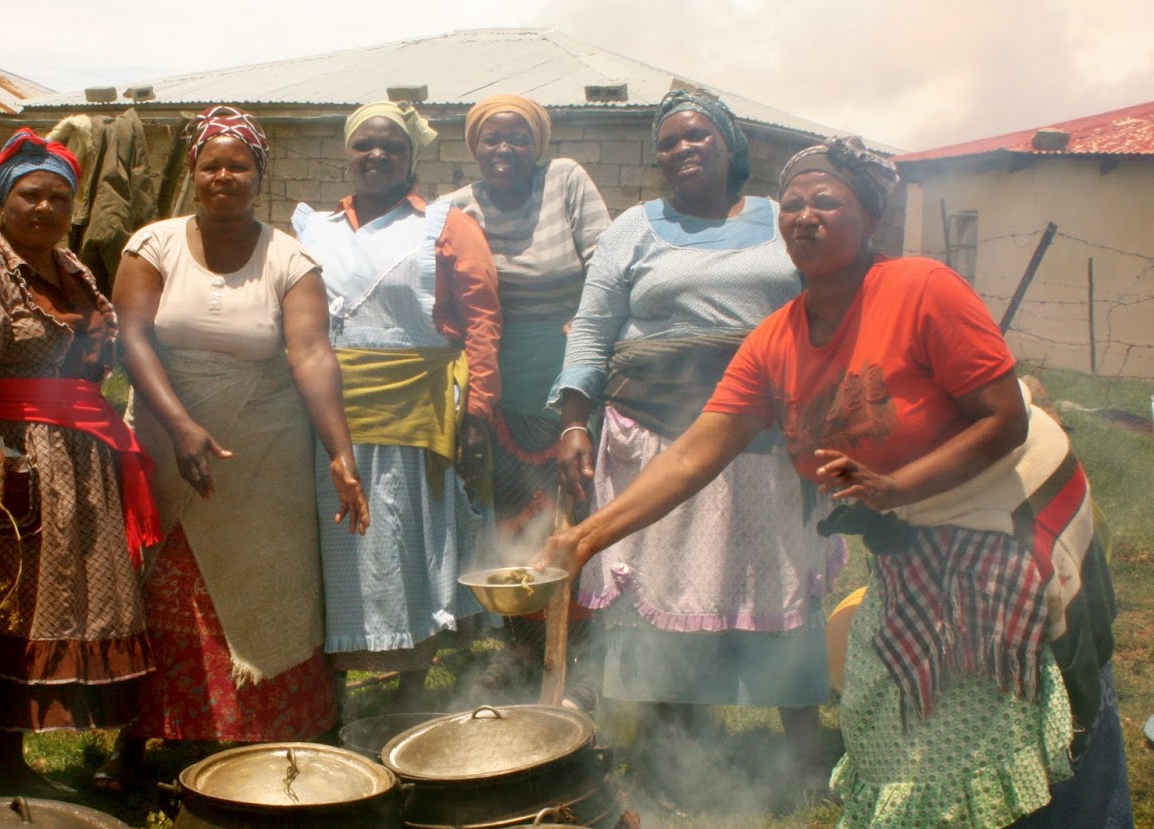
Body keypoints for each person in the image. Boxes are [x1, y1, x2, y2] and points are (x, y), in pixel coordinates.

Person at [538, 136, 1135, 829]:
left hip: (1003, 512)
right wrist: (589, 535)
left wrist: (895, 485)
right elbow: (697, 450)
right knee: (893, 711)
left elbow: (1002, 416)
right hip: (909, 532)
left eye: (828, 203)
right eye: (793, 205)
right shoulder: (779, 337)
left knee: (987, 708)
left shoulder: (921, 289)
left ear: (871, 217)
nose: (806, 218)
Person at [548, 90, 838, 773]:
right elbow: (592, 325)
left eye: (697, 136)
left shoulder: (781, 219)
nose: (681, 149)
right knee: (662, 585)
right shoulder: (632, 229)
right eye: (669, 142)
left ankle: (803, 752)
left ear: (730, 145)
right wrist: (572, 419)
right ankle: (667, 749)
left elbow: (829, 306)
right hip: (656, 434)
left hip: (766, 439)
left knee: (777, 581)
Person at [98, 107, 370, 789]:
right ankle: (141, 741)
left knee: (259, 586)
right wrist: (181, 424)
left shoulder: (289, 259)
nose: (225, 176)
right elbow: (134, 339)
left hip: (263, 456)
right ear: (193, 171)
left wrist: (339, 450)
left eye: (238, 165)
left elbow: (310, 351)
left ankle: (259, 737)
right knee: (162, 588)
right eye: (212, 164)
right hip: (165, 436)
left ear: (260, 175)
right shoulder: (151, 246)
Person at [0, 129, 158, 798]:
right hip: (8, 449)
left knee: (38, 606)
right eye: (31, 195)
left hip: (76, 453)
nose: (45, 209)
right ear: (4, 199)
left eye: (59, 198)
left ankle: (15, 762)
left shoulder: (73, 271)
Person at [291, 102, 501, 705]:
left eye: (391, 147)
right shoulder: (315, 231)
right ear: (348, 154)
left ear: (411, 158)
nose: (377, 156)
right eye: (365, 146)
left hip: (415, 410)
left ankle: (411, 688)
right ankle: (330, 687)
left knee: (405, 542)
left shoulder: (445, 224)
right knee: (337, 545)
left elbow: (483, 321)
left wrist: (479, 412)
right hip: (331, 415)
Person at [446, 94, 610, 700]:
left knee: (577, 505)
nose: (504, 149)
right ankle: (519, 643)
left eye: (517, 137)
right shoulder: (459, 205)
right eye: (491, 139)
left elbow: (606, 259)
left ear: (537, 144)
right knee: (514, 512)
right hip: (498, 372)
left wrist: (591, 322)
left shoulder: (566, 179)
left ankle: (583, 650)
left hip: (572, 365)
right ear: (473, 147)